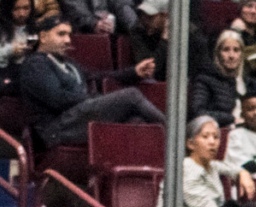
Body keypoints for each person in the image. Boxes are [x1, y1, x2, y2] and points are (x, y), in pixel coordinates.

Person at [17, 13, 162, 147]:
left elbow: (98, 77)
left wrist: (133, 72)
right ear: (43, 37)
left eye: (69, 35)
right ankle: (177, 136)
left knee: (135, 120)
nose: (67, 40)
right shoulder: (36, 64)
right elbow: (58, 100)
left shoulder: (69, 64)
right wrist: (91, 99)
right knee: (131, 95)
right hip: (55, 129)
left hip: (75, 119)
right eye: (61, 34)